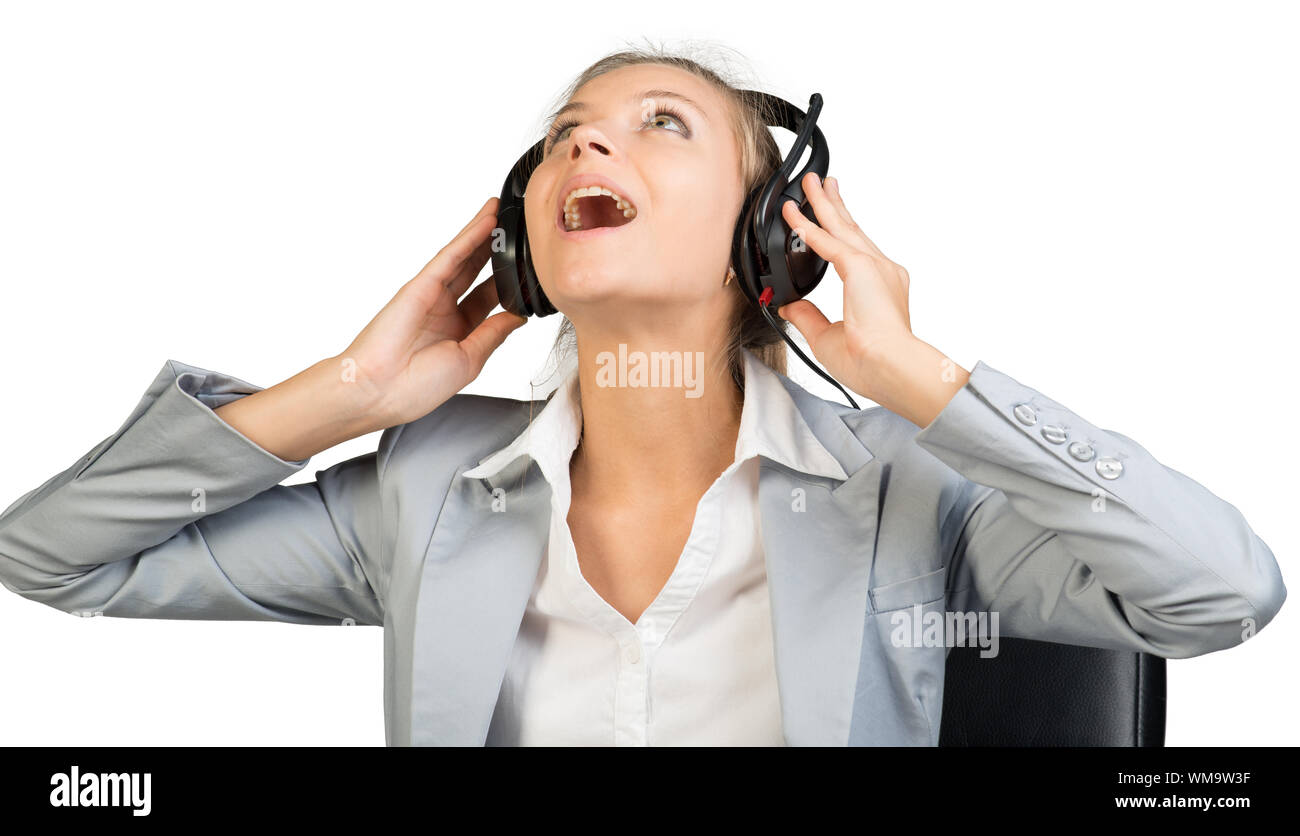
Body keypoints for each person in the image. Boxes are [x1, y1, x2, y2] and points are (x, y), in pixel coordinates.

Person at [0, 47, 1286, 746]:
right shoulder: (422, 491)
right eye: (564, 130)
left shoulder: (914, 492)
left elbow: (1220, 593)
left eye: (660, 121)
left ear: (773, 236)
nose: (582, 144)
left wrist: (923, 384)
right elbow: (52, 558)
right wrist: (346, 393)